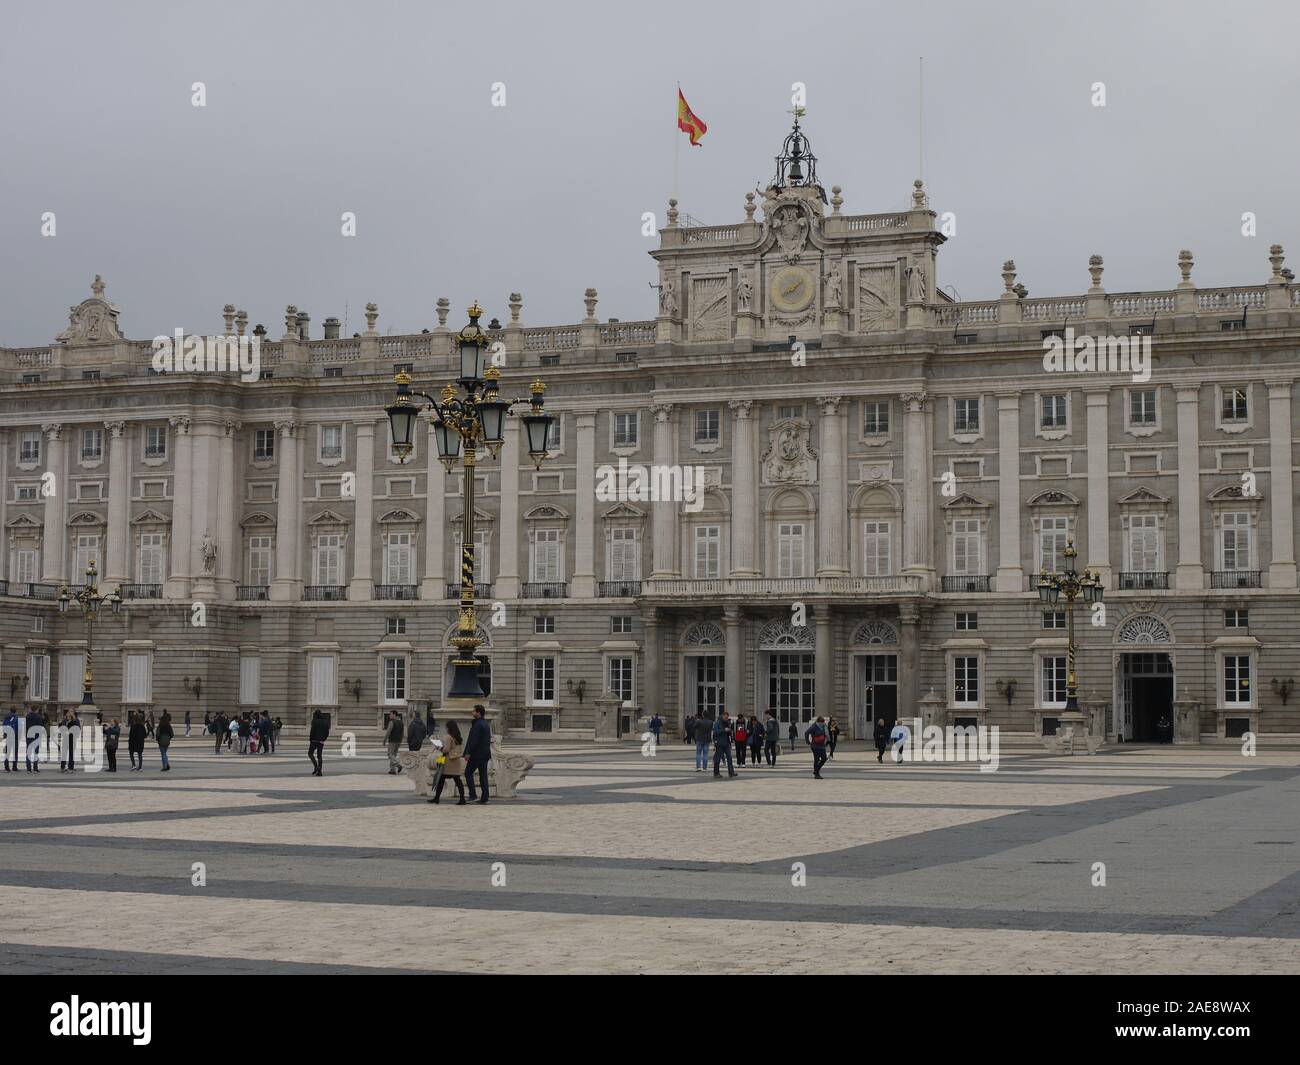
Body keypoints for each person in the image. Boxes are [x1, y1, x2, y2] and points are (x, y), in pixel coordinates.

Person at [428, 720, 466, 805]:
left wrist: (439, 747)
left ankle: (436, 798)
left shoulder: (448, 737)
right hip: (456, 761)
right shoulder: (458, 737)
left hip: (448, 761)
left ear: (448, 728)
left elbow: (446, 749)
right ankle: (462, 798)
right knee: (457, 780)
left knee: (441, 779)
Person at [464, 705, 491, 804]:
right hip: (485, 754)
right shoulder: (485, 724)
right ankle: (485, 797)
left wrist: (468, 752)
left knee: (468, 773)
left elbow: (473, 740)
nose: (472, 713)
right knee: (483, 776)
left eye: (473, 711)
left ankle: (473, 795)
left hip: (476, 754)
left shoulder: (477, 724)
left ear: (478, 712)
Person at [712, 711, 736, 778]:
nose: (726, 719)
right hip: (720, 743)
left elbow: (728, 733)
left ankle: (731, 772)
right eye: (725, 717)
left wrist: (729, 731)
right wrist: (724, 730)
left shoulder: (727, 723)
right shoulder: (718, 723)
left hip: (726, 743)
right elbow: (716, 732)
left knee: (729, 758)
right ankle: (716, 773)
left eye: (727, 717)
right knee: (718, 759)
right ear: (722, 716)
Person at [308, 709, 329, 776]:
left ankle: (316, 766)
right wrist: (324, 739)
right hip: (321, 741)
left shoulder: (314, 721)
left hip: (314, 740)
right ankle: (320, 771)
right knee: (319, 756)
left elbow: (312, 731)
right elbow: (327, 732)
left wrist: (311, 739)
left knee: (310, 753)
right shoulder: (325, 721)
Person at [26, 706, 44, 772]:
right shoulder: (39, 717)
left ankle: (28, 769)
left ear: (31, 709)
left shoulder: (27, 716)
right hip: (36, 736)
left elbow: (26, 726)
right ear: (36, 709)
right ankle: (35, 768)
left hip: (29, 736)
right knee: (36, 752)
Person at [59, 708, 78, 772]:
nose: (70, 713)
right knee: (64, 753)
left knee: (71, 753)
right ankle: (62, 767)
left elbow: (78, 729)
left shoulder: (76, 720)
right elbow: (61, 728)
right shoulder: (64, 720)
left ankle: (70, 767)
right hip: (65, 738)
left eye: (72, 711)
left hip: (72, 738)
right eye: (69, 711)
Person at [2, 707, 19, 772]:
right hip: (14, 736)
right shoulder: (15, 717)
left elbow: (4, 725)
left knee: (7, 752)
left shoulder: (6, 716)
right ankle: (14, 767)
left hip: (8, 735)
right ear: (15, 711)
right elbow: (17, 726)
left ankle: (6, 767)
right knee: (15, 752)